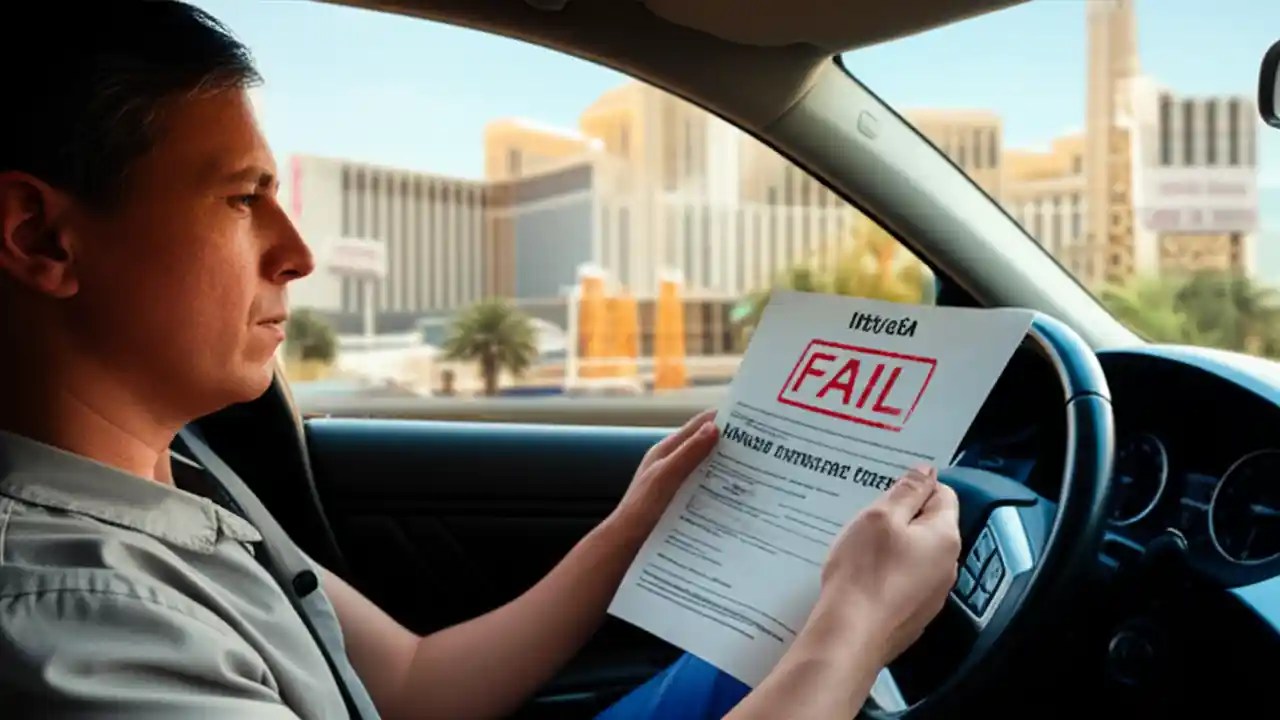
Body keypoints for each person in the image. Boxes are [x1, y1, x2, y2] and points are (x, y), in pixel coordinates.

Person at [0, 2, 962, 719]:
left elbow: (417, 685)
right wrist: (856, 629)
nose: (296, 251)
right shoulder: (83, 628)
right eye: (241, 199)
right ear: (43, 238)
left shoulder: (180, 479)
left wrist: (631, 527)